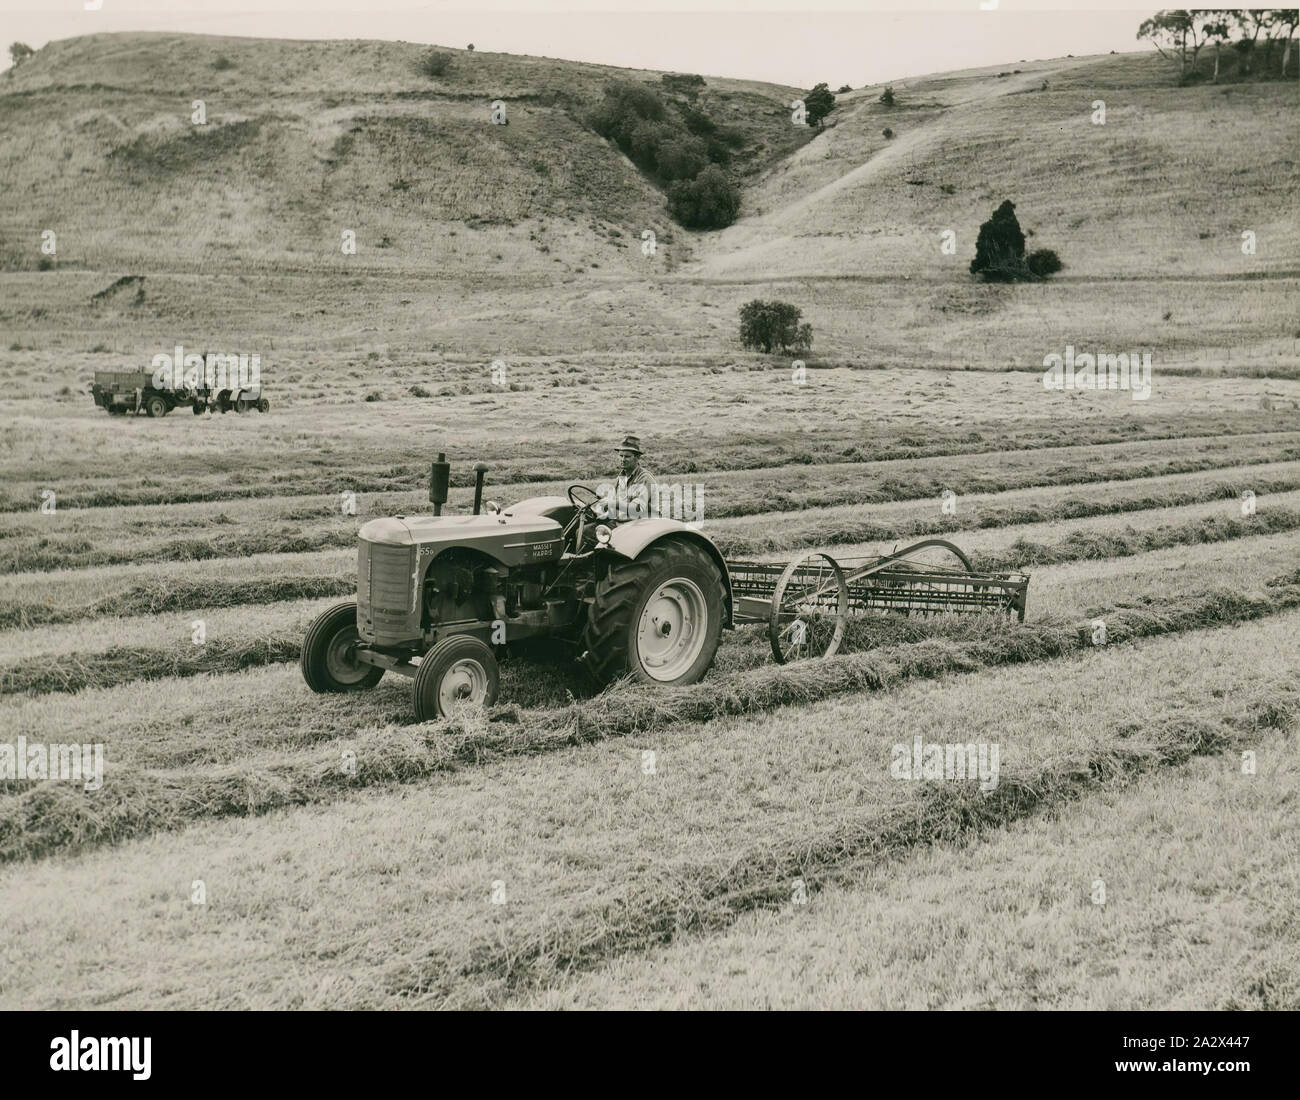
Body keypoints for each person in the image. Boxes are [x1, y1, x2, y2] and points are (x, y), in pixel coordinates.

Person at [614, 434, 656, 519]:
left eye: (627, 456)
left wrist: (612, 503)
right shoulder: (620, 478)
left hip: (643, 524)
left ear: (637, 457)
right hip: (623, 522)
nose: (623, 459)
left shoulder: (644, 478)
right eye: (621, 456)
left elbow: (636, 509)